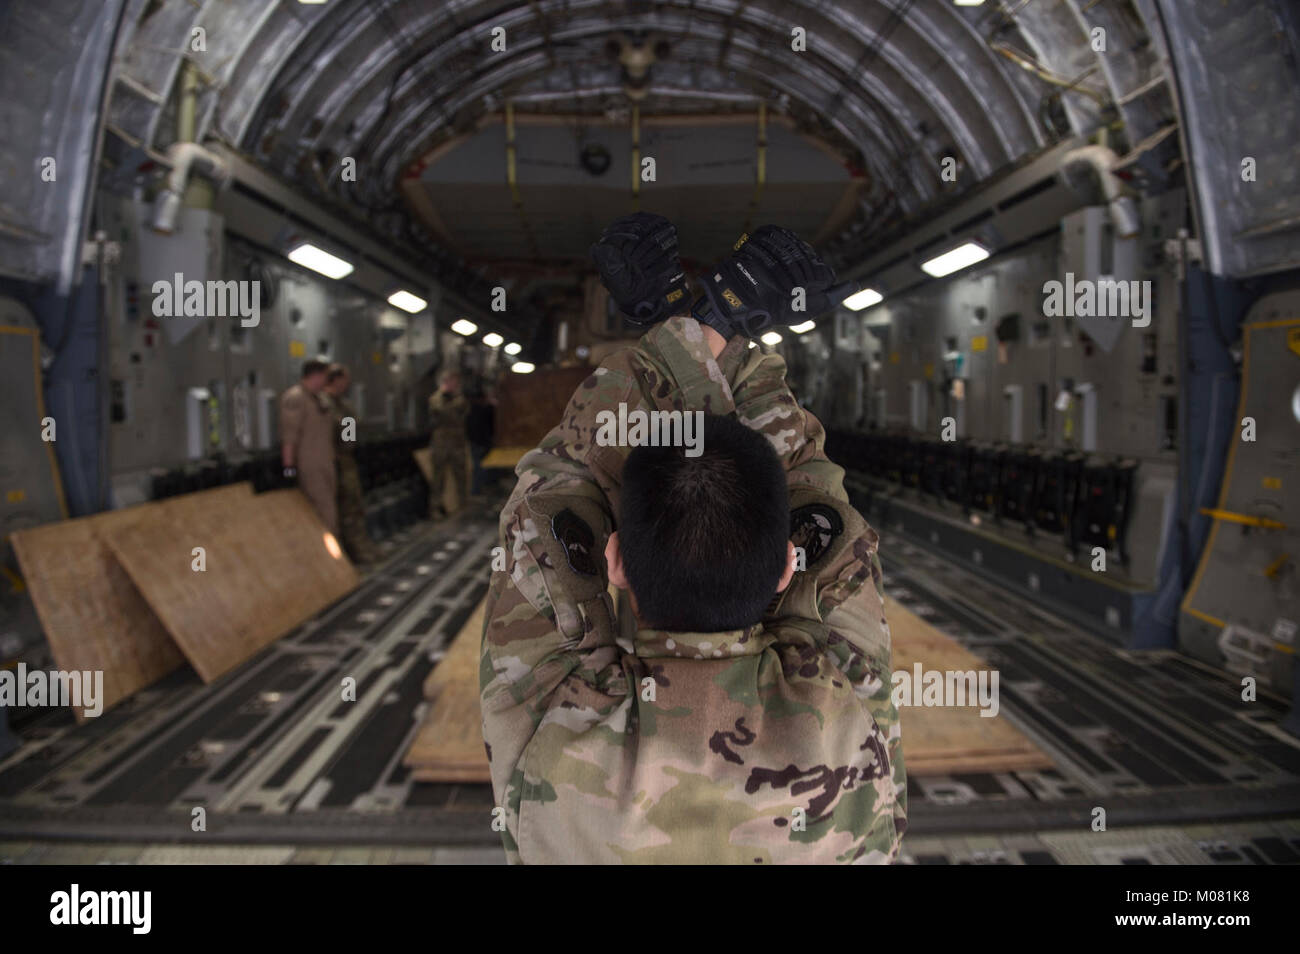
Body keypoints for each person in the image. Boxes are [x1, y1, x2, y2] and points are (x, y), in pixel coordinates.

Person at [479, 214, 906, 864]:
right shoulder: (844, 720)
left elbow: (548, 500)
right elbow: (823, 509)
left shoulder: (555, 737)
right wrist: (682, 336)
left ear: (615, 562)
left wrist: (693, 333)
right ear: (785, 569)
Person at [324, 363, 378, 564]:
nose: (347, 384)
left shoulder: (343, 405)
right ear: (336, 380)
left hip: (346, 460)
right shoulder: (325, 404)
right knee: (341, 509)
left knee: (353, 504)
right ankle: (347, 552)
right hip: (331, 461)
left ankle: (359, 547)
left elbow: (350, 435)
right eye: (344, 380)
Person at [279, 358, 338, 537]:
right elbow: (289, 436)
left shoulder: (321, 399)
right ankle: (330, 560)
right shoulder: (296, 397)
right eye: (325, 376)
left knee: (329, 511)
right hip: (310, 467)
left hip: (326, 464)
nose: (327, 381)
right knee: (325, 514)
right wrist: (288, 468)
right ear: (315, 375)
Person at [427, 368, 468, 518]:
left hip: (457, 443)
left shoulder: (460, 399)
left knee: (461, 475)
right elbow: (439, 411)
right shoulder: (435, 398)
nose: (454, 385)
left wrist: (448, 406)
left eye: (456, 382)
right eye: (451, 382)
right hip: (441, 444)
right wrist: (444, 399)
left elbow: (459, 413)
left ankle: (463, 504)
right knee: (438, 478)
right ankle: (435, 508)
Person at [465, 384, 496, 497]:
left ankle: (478, 490)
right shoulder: (484, 409)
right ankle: (478, 490)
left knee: (479, 467)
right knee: (480, 468)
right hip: (481, 442)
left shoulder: (471, 410)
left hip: (476, 442)